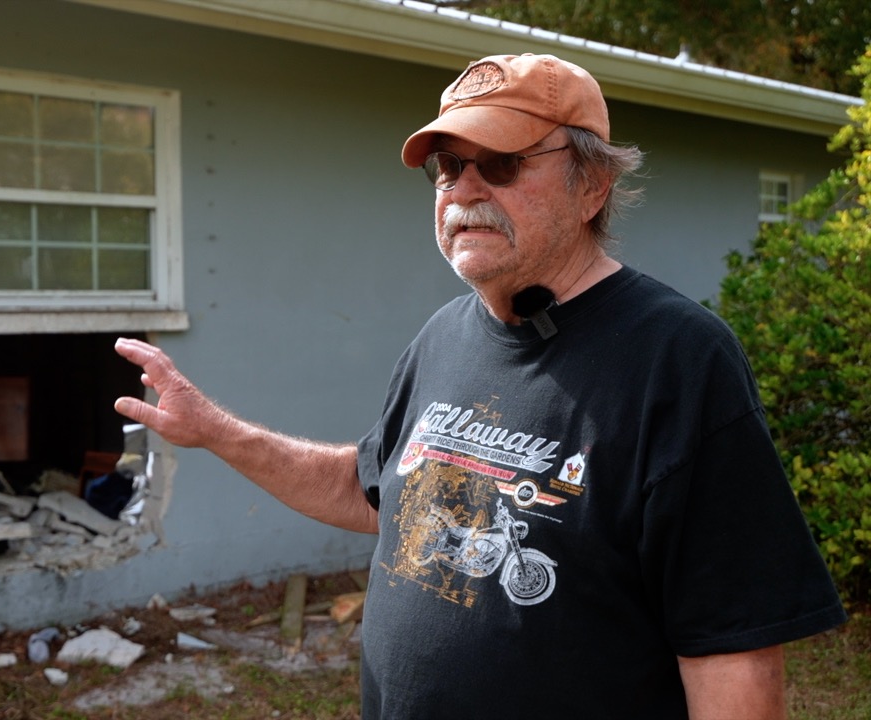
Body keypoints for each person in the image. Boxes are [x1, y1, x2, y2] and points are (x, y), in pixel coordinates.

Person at [113, 53, 846, 719]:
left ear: (592, 185)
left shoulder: (679, 358)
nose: (464, 188)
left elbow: (733, 653)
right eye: (447, 167)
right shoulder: (443, 336)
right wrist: (215, 430)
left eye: (501, 162)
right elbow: (372, 492)